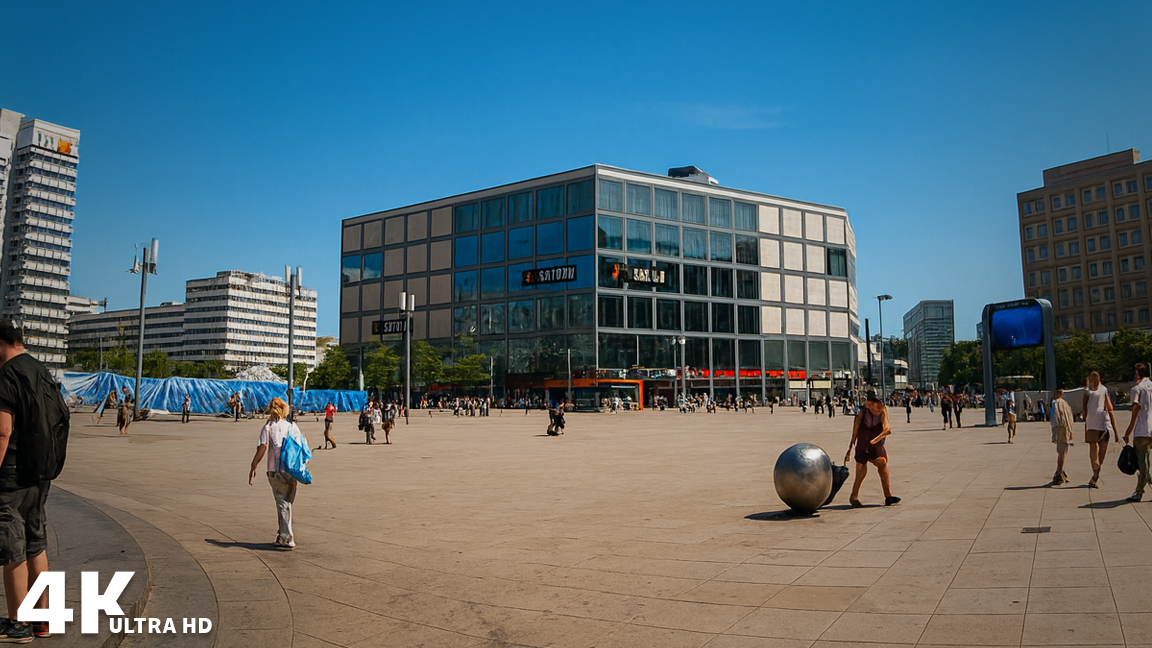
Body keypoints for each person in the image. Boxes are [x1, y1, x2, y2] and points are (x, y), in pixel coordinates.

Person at [0, 321, 65, 640]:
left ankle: (17, 623)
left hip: (11, 475)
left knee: (11, 547)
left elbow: (2, 431)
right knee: (36, 544)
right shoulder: (43, 372)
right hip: (40, 473)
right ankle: (42, 621)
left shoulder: (8, 374)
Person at [248, 398, 300, 549]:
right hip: (291, 470)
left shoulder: (268, 427)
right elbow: (301, 447)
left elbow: (262, 448)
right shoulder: (291, 426)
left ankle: (288, 537)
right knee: (286, 502)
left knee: (282, 503)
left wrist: (253, 466)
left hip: (276, 470)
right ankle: (282, 536)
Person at [845, 392, 900, 507]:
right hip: (863, 444)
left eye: (873, 406)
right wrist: (850, 448)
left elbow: (887, 428)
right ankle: (854, 497)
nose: (872, 409)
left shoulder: (882, 412)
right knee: (860, 470)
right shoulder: (861, 413)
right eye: (869, 406)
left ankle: (888, 496)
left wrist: (877, 440)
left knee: (883, 465)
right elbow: (854, 431)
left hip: (876, 445)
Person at [1082, 371, 1118, 488]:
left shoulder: (1092, 391)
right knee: (1099, 449)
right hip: (1100, 423)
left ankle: (1096, 472)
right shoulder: (1098, 390)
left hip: (1096, 423)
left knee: (1095, 448)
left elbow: (1085, 409)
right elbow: (1110, 409)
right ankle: (1096, 473)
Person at [1122, 363, 1152, 502]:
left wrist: (1128, 431)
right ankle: (1140, 490)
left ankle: (1139, 492)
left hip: (1142, 430)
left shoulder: (1137, 389)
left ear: (1137, 374)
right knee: (1145, 462)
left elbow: (1135, 411)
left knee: (1142, 464)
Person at [1050, 388, 1075, 486]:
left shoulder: (1056, 403)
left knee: (1061, 451)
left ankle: (1059, 471)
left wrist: (1054, 429)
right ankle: (1059, 471)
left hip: (1061, 429)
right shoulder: (1064, 403)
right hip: (1067, 429)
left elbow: (1054, 419)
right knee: (1063, 451)